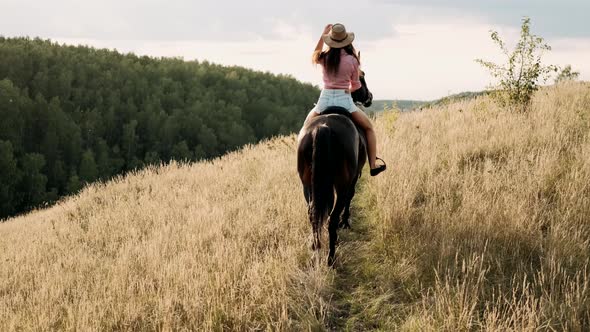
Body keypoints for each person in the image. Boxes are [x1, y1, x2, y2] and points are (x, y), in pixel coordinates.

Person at [303, 23, 386, 176]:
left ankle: (303, 166)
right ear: (346, 41)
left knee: (305, 129)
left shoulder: (324, 57)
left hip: (324, 100)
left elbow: (315, 53)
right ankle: (373, 165)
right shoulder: (353, 61)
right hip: (344, 101)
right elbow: (356, 86)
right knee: (369, 128)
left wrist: (323, 35)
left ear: (330, 41)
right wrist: (347, 89)